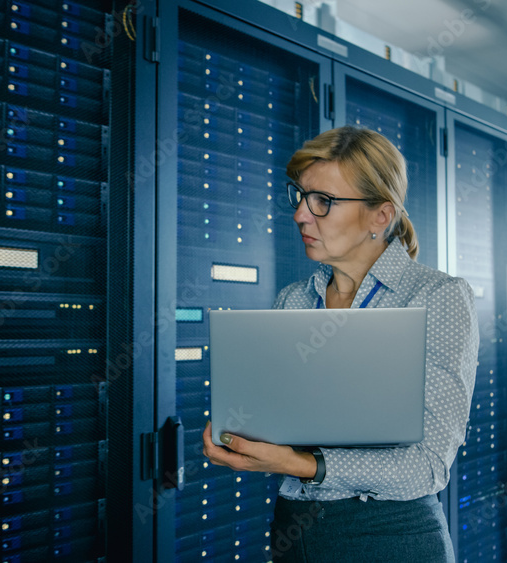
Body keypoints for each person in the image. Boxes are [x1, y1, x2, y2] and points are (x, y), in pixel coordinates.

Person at [202, 125, 479, 562]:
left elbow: (428, 466)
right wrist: (236, 436)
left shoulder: (436, 297)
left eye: (323, 202)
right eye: (301, 196)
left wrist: (301, 464)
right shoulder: (294, 300)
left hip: (389, 537)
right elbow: (276, 422)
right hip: (294, 531)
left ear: (380, 217)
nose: (300, 215)